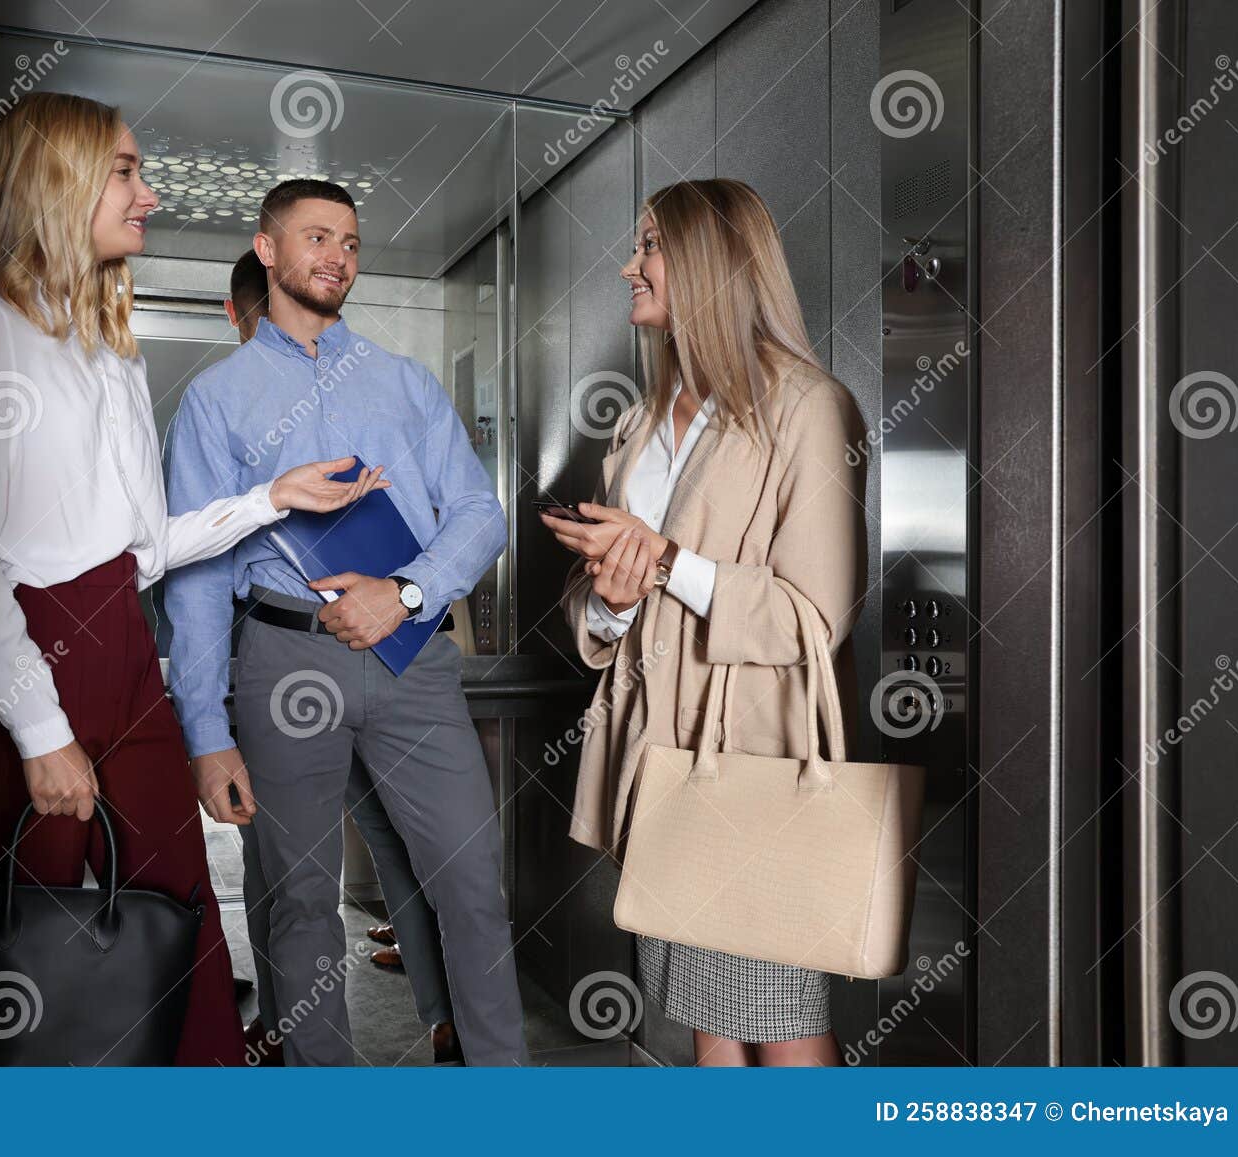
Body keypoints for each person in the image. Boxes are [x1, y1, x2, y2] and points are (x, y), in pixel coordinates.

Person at [0, 92, 387, 1067]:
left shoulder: (107, 342)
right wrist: (42, 733)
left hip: (123, 650)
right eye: (125, 172)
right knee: (50, 928)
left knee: (176, 906)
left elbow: (136, 548)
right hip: (33, 663)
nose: (149, 192)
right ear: (58, 183)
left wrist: (270, 497)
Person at [164, 180, 527, 1067]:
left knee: (473, 882)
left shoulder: (406, 385)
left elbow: (481, 513)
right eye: (317, 237)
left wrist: (405, 590)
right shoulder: (214, 401)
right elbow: (199, 575)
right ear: (268, 249)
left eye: (352, 243)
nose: (337, 257)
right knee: (297, 900)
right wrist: (207, 732)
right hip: (283, 655)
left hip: (412, 657)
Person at [543, 178, 867, 1068]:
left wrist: (667, 562)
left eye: (649, 245)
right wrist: (609, 599)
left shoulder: (806, 408)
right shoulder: (642, 426)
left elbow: (813, 616)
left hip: (755, 766)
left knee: (783, 1020)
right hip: (658, 767)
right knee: (705, 1020)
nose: (629, 265)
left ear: (709, 263)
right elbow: (608, 603)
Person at [221, 250, 460, 1066]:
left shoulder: (333, 399)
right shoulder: (254, 405)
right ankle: (439, 1018)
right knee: (371, 862)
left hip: (322, 657)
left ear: (233, 316)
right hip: (318, 658)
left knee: (288, 875)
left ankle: (305, 1036)